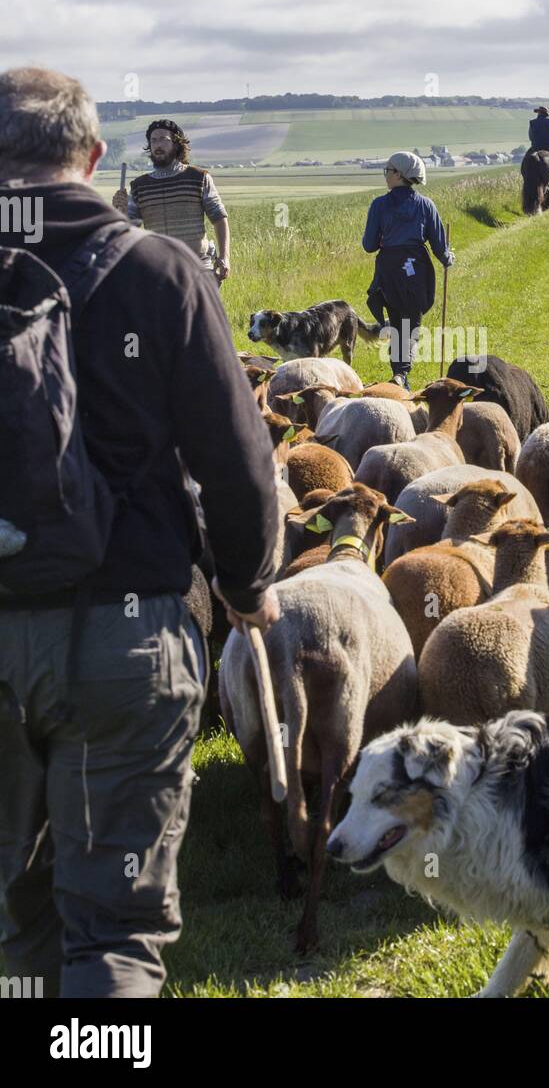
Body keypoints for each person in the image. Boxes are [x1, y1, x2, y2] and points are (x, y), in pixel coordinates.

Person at [0, 67, 280, 998]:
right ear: (91, 157)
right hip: (124, 636)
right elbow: (236, 461)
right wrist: (245, 584)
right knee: (113, 931)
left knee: (18, 912)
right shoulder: (159, 271)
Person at [362, 151, 453, 388]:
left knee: (397, 323)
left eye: (388, 170)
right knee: (410, 325)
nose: (385, 175)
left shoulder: (379, 205)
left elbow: (369, 245)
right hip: (416, 270)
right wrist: (447, 259)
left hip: (389, 270)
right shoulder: (426, 205)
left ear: (399, 174)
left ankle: (400, 376)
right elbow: (440, 247)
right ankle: (401, 376)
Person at [112, 119, 231, 283]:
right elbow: (129, 229)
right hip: (158, 272)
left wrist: (224, 257)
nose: (157, 145)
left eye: (163, 139)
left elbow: (219, 218)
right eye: (153, 140)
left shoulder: (199, 178)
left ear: (176, 144)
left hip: (198, 269)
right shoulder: (139, 186)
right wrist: (120, 210)